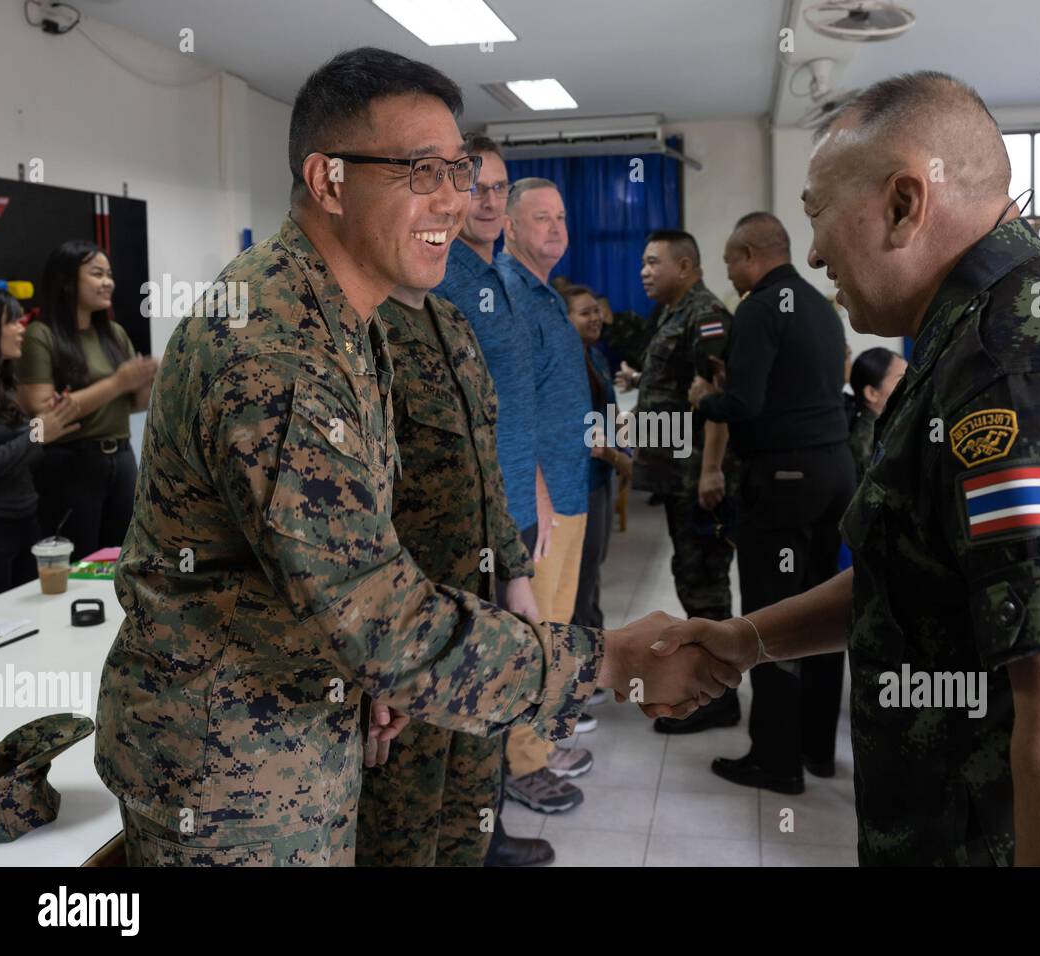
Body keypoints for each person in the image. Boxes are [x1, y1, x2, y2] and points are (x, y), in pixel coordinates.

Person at [93, 47, 739, 867]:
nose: (455, 200)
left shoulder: (349, 326)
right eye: (420, 171)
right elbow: (380, 622)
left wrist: (373, 671)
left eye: (460, 171)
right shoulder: (274, 346)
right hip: (234, 776)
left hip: (298, 725)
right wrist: (606, 659)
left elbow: (366, 553)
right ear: (328, 181)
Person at [653, 70, 1040, 865]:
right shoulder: (993, 329)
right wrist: (746, 638)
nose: (813, 253)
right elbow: (934, 567)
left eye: (817, 217)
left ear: (903, 203)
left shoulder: (1021, 373)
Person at [355, 283, 538, 867]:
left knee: (470, 815)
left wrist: (515, 571)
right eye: (423, 183)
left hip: (477, 630)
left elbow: (486, 466)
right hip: (405, 640)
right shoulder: (356, 324)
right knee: (401, 832)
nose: (445, 203)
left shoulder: (451, 321)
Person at [689, 212, 854, 791]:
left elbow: (745, 405)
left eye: (732, 261)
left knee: (772, 618)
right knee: (824, 612)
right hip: (836, 472)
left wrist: (705, 399)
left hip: (783, 480)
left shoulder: (759, 308)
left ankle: (775, 759)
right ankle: (814, 748)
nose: (729, 273)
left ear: (753, 254)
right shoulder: (819, 305)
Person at [430, 134, 559, 861]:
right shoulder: (439, 274)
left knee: (497, 664)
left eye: (498, 188)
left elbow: (515, 399)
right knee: (468, 671)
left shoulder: (501, 278)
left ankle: (488, 822)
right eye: (473, 184)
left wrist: (535, 483)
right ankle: (480, 833)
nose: (487, 199)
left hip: (506, 503)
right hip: (456, 511)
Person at [496, 178, 597, 813]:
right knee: (533, 634)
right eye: (541, 218)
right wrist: (531, 488)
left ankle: (537, 739)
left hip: (569, 488)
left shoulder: (548, 295)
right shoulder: (507, 292)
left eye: (561, 217)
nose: (556, 229)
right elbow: (509, 405)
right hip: (542, 500)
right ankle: (520, 764)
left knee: (555, 628)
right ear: (509, 226)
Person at [617, 229, 737, 735]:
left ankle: (720, 698)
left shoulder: (705, 315)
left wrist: (711, 469)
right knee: (690, 572)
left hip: (695, 475)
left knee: (703, 579)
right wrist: (640, 383)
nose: (644, 271)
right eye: (642, 262)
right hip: (675, 470)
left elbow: (719, 398)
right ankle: (708, 687)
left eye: (653, 262)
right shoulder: (672, 311)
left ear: (685, 266)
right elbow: (676, 383)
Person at [15, 241, 157, 559]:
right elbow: (42, 413)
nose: (108, 282)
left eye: (109, 274)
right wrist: (118, 382)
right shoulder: (42, 334)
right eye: (96, 274)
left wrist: (145, 381)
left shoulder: (115, 333)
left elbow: (132, 404)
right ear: (66, 280)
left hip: (120, 458)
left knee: (123, 556)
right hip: (70, 463)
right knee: (77, 560)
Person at [0, 292, 80, 597]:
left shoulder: (5, 385)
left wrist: (42, 423)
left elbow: (19, 449)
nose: (21, 328)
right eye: (11, 321)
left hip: (26, 520)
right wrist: (37, 433)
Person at [563, 284, 632, 629]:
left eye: (596, 311)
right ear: (565, 318)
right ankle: (583, 655)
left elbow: (612, 412)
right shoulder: (563, 361)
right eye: (585, 312)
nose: (595, 318)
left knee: (595, 563)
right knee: (581, 569)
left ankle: (594, 639)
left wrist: (624, 452)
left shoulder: (596, 355)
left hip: (603, 474)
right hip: (579, 482)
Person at [846, 346, 907, 485]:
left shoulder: (887, 427)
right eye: (901, 380)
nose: (909, 386)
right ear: (872, 393)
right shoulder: (867, 442)